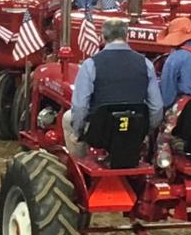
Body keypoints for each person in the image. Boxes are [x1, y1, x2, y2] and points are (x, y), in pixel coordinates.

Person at [62, 18, 163, 159]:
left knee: (67, 118)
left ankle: (79, 162)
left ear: (103, 38)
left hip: (99, 133)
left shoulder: (90, 64)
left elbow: (80, 107)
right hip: (134, 129)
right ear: (126, 36)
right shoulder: (146, 64)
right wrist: (146, 130)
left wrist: (78, 133)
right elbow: (156, 107)